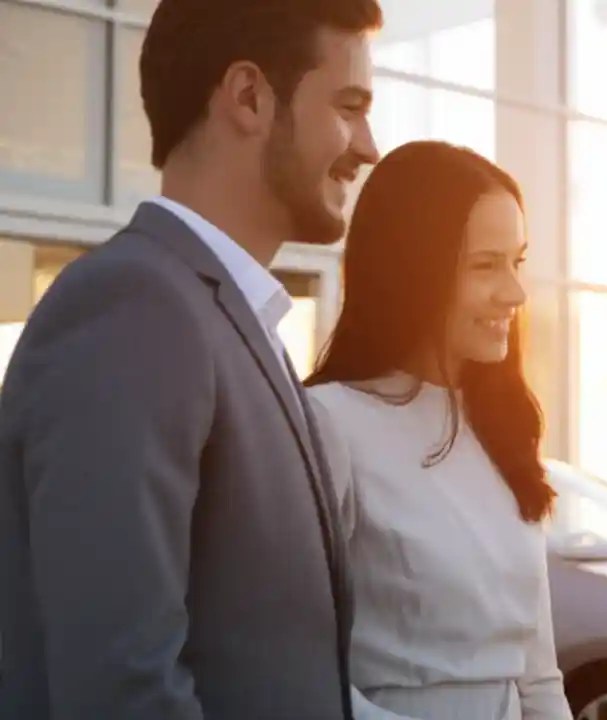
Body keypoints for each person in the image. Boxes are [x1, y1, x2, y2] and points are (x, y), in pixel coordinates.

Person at [0, 1, 381, 718]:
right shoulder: (136, 307)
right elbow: (122, 691)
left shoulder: (229, 321)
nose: (369, 146)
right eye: (349, 106)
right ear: (248, 97)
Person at [305, 141, 572, 720]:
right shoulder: (329, 424)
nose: (515, 293)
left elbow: (538, 675)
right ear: (412, 270)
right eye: (485, 264)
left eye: (517, 262)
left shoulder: (503, 429)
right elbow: (293, 671)